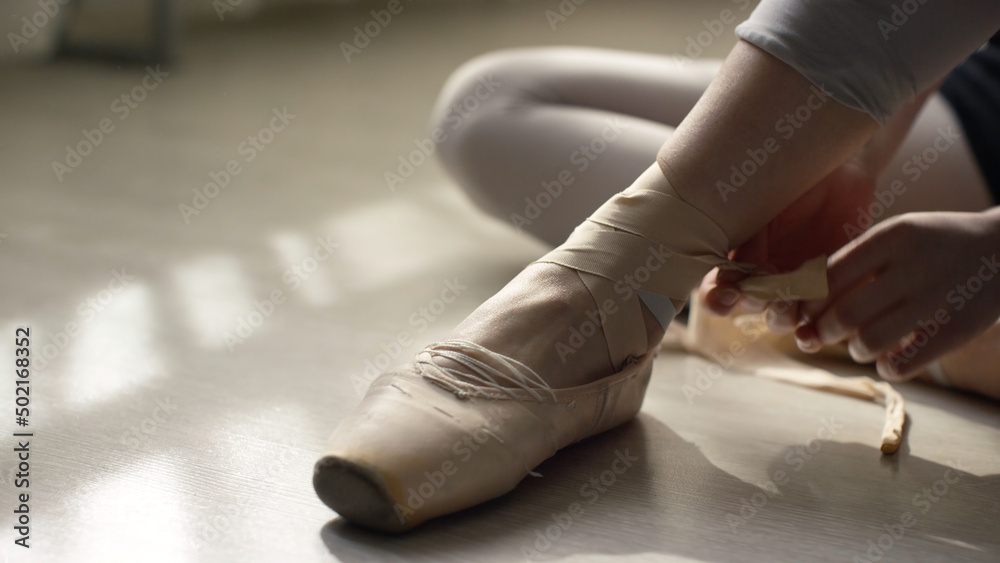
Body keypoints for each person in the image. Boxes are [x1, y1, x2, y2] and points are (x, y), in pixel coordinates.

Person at [314, 0, 1000, 532]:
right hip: (967, 96)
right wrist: (853, 149)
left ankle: (634, 278)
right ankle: (661, 258)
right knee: (484, 105)